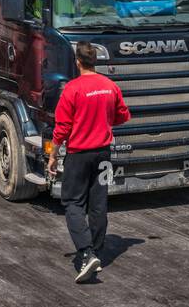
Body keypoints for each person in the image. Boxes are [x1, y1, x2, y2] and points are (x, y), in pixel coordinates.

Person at [49, 41, 130, 283]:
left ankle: (85, 253)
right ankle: (96, 251)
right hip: (104, 154)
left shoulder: (72, 89)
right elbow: (122, 115)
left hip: (79, 154)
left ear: (77, 62)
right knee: (99, 202)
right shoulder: (110, 86)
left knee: (73, 203)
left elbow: (62, 127)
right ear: (95, 61)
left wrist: (53, 154)